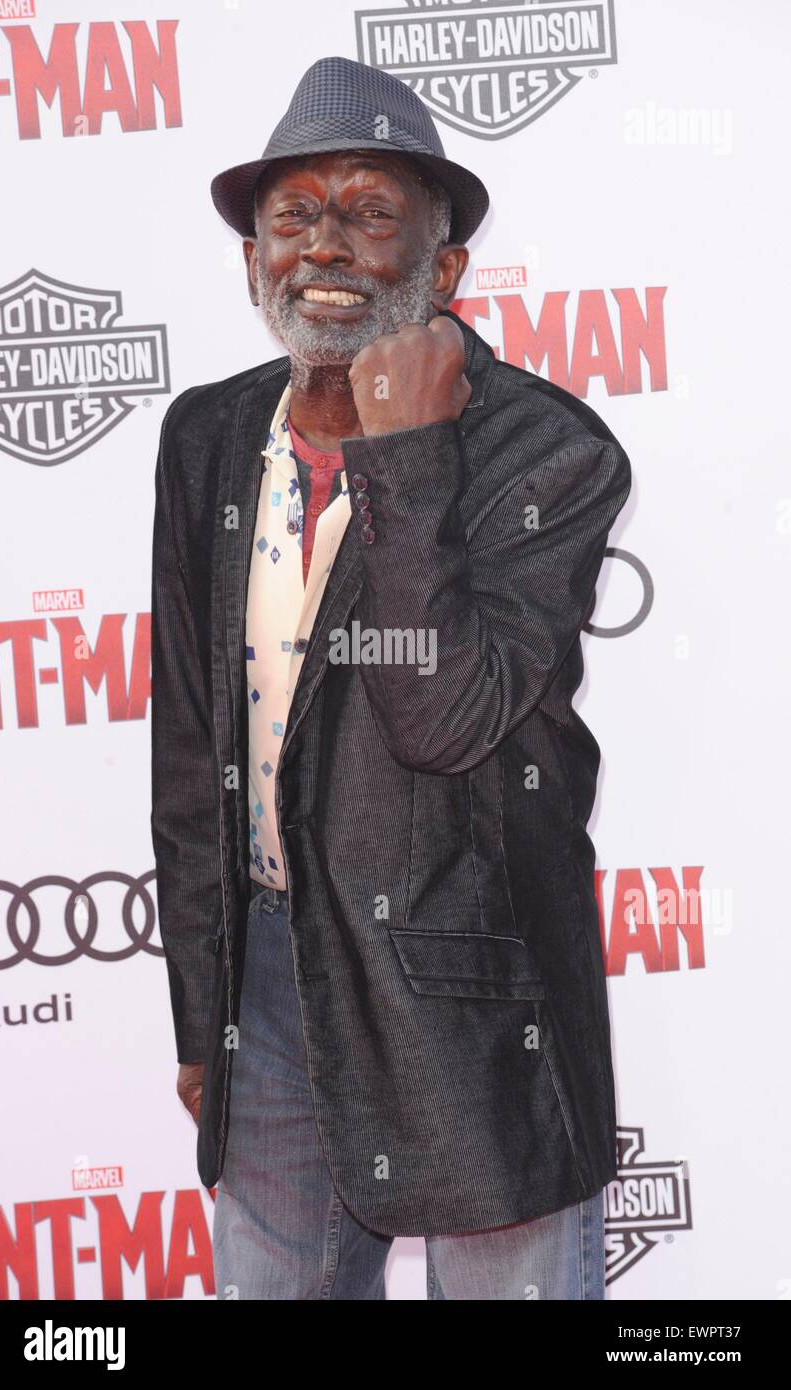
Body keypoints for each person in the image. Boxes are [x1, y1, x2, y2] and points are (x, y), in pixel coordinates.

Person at [150, 55, 632, 1300]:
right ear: (253, 253)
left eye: (368, 214)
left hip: (472, 996)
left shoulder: (550, 451)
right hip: (265, 977)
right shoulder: (206, 435)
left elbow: (445, 716)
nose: (324, 245)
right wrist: (203, 1007)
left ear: (444, 265)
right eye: (292, 214)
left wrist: (405, 446)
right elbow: (195, 744)